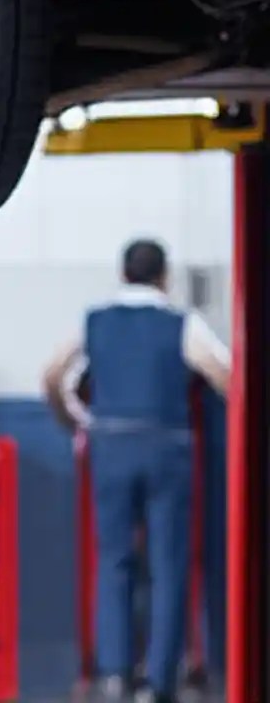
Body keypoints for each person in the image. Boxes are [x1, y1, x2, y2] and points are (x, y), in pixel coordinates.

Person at [42, 238, 230, 703]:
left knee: (114, 560)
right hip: (167, 446)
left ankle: (114, 674)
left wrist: (77, 419)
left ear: (123, 273)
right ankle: (159, 680)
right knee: (169, 564)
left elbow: (53, 372)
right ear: (164, 276)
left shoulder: (95, 320)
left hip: (109, 446)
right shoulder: (181, 322)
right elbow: (224, 373)